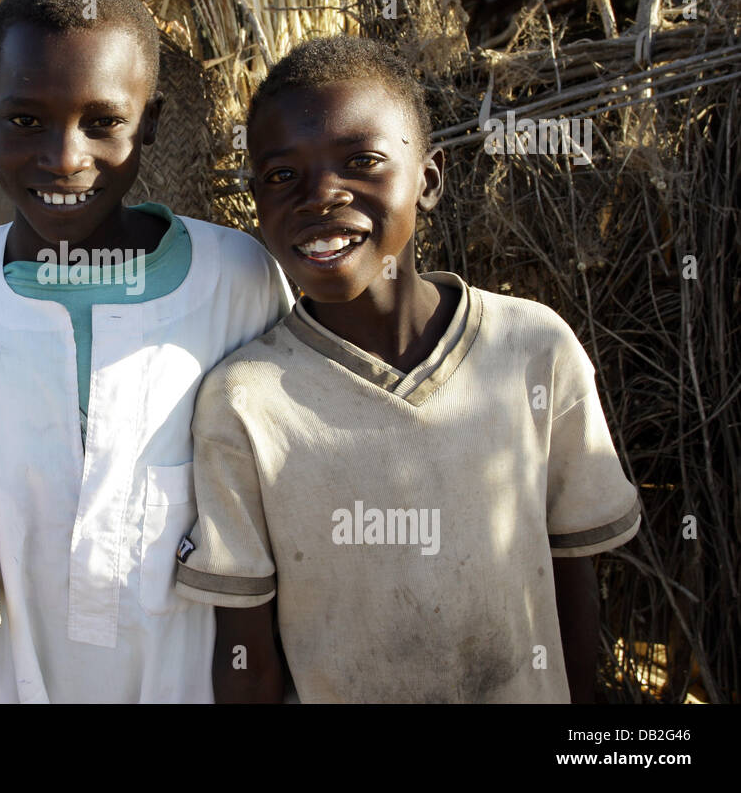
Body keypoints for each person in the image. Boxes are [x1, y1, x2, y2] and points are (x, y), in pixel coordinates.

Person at [0, 0, 291, 702]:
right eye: (25, 120)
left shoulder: (238, 281)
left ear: (149, 121)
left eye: (102, 121)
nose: (63, 156)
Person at [175, 36, 641, 703]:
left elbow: (572, 570)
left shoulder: (533, 348)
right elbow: (246, 649)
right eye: (283, 176)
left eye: (362, 161)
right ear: (257, 201)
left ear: (428, 179)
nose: (321, 196)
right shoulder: (245, 401)